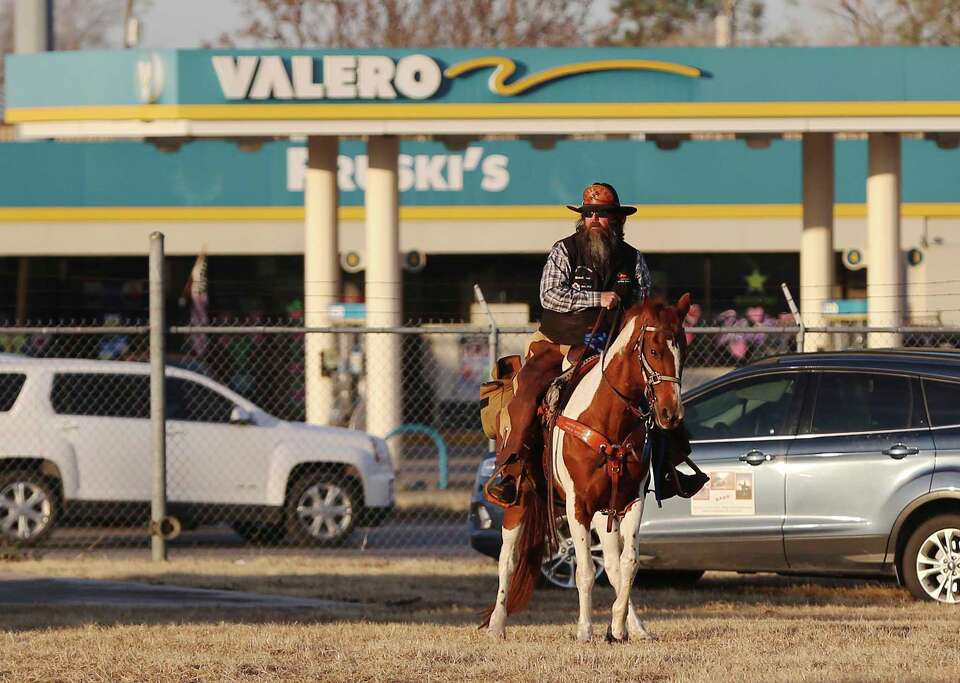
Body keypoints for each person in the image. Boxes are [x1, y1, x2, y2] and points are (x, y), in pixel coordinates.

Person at [483, 182, 651, 507]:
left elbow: (642, 302)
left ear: (617, 220)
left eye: (602, 215)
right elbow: (549, 295)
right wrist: (597, 298)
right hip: (558, 341)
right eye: (589, 214)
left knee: (659, 397)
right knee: (526, 392)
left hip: (613, 346)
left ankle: (672, 468)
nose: (595, 221)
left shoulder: (633, 260)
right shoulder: (564, 250)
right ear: (582, 217)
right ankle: (510, 471)